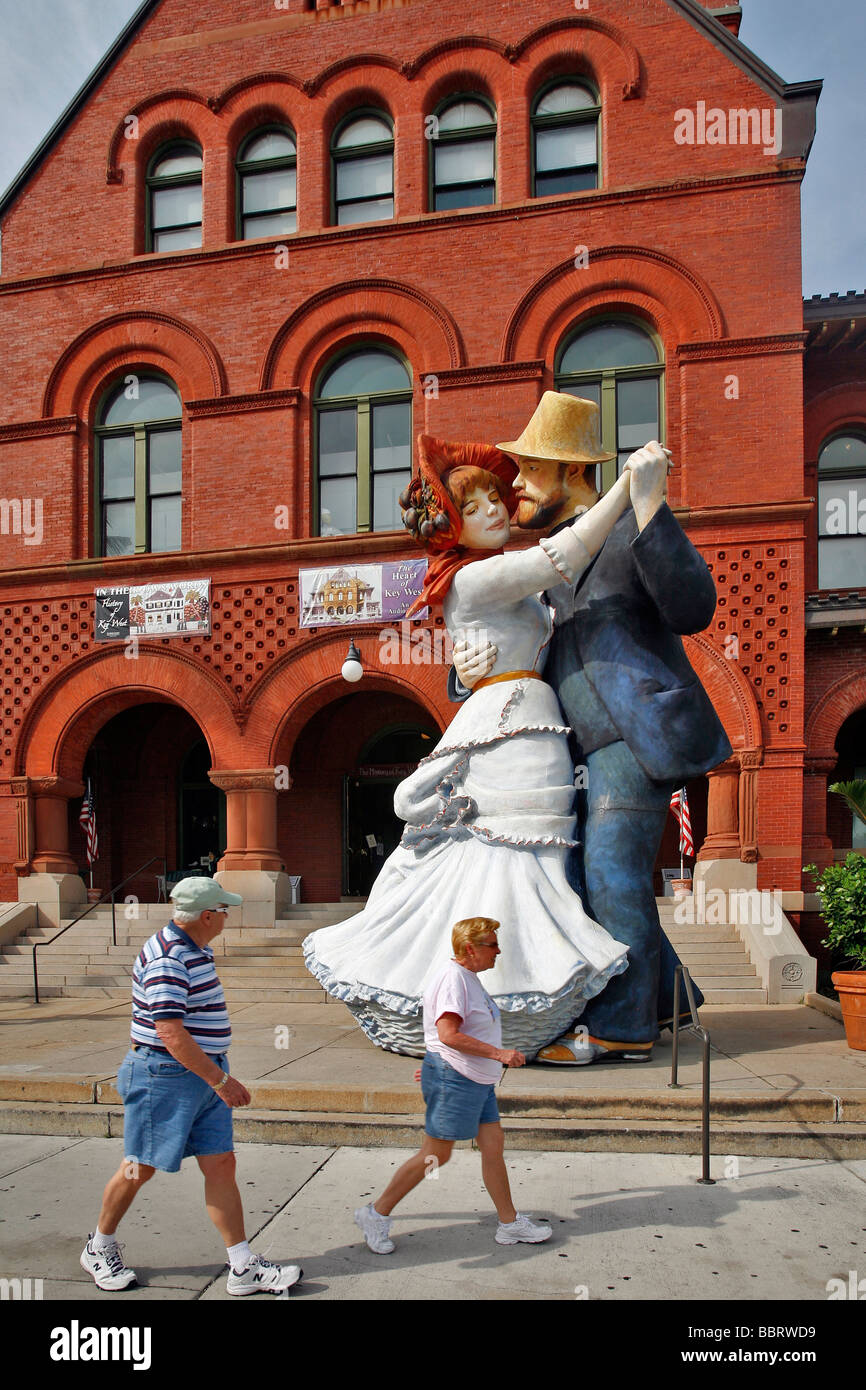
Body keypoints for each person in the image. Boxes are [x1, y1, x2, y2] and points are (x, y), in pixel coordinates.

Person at [304, 430, 636, 1057]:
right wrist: (626, 486)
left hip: (527, 714)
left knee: (524, 850)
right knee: (506, 849)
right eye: (475, 506)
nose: (496, 510)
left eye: (495, 497)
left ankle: (500, 998)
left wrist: (465, 666)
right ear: (450, 529)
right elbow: (556, 561)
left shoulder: (488, 579)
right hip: (508, 721)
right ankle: (486, 1001)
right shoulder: (472, 580)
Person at [452, 391, 732, 1064]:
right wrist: (468, 670)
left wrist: (652, 505)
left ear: (573, 473)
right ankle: (667, 999)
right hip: (565, 749)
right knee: (575, 880)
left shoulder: (630, 528)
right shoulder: (550, 567)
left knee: (612, 873)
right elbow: (513, 651)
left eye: (529, 470)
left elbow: (694, 606)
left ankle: (622, 1028)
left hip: (631, 740)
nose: (515, 486)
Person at [80, 876, 303, 1295]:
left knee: (220, 1163)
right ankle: (99, 1246)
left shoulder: (194, 949)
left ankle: (242, 1265)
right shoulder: (169, 957)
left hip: (198, 1075)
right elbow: (169, 1030)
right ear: (206, 916)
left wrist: (215, 1074)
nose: (226, 917)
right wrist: (219, 1080)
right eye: (223, 911)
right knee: (139, 1165)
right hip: (165, 1076)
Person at [354, 917, 552, 1253]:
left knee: (493, 1145)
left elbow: (441, 1037)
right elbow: (448, 1034)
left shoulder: (467, 977)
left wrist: (435, 1063)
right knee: (436, 1154)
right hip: (458, 1079)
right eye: (491, 944)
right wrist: (498, 1054)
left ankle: (508, 1223)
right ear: (470, 948)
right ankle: (375, 1213)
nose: (498, 950)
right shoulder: (453, 980)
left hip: (474, 1079)